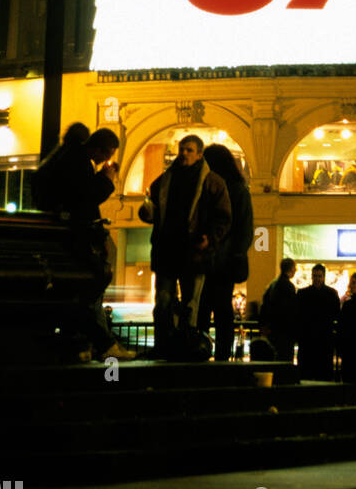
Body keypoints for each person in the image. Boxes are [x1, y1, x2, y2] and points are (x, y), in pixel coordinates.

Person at [33, 125, 135, 361]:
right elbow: (86, 199)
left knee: (84, 291)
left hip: (64, 232)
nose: (106, 160)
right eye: (107, 155)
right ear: (101, 149)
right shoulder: (79, 163)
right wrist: (106, 179)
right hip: (76, 237)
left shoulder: (66, 157)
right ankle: (102, 344)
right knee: (92, 286)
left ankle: (86, 342)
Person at [138, 134, 232, 358]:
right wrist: (147, 211)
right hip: (168, 250)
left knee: (190, 303)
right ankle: (165, 344)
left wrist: (210, 237)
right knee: (163, 300)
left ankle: (184, 345)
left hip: (193, 252)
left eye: (189, 150)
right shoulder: (165, 179)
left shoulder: (212, 181)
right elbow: (152, 205)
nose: (184, 154)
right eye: (182, 149)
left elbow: (224, 217)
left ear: (200, 154)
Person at [197, 144, 253, 361]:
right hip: (226, 260)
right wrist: (238, 252)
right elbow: (246, 227)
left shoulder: (209, 187)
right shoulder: (239, 190)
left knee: (203, 307)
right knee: (222, 309)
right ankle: (222, 353)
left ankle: (201, 349)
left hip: (209, 257)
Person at [296, 263, 340, 379]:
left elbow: (298, 314)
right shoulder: (331, 293)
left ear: (323, 277)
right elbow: (336, 314)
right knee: (323, 370)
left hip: (309, 337)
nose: (317, 279)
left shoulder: (302, 294)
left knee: (307, 369)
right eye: (315, 276)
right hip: (323, 336)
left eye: (319, 276)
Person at [259, 258, 298, 360]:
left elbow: (264, 306)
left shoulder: (273, 284)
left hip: (272, 330)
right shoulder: (289, 287)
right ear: (291, 269)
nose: (296, 270)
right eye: (294, 267)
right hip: (284, 331)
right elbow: (291, 310)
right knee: (285, 359)